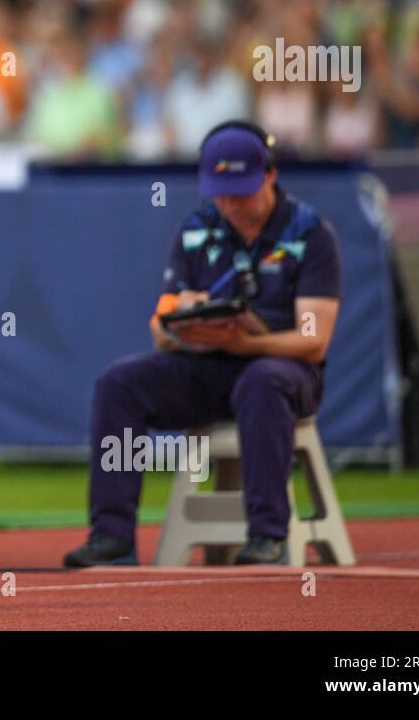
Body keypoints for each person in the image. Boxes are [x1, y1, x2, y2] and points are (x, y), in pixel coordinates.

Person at [64, 121, 342, 567]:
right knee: (118, 384)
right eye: (221, 193)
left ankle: (268, 534)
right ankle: (111, 536)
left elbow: (314, 341)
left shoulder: (309, 233)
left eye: (242, 192)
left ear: (270, 176)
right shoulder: (196, 229)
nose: (230, 204)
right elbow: (160, 331)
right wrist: (184, 319)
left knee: (263, 382)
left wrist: (245, 343)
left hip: (284, 370)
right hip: (209, 365)